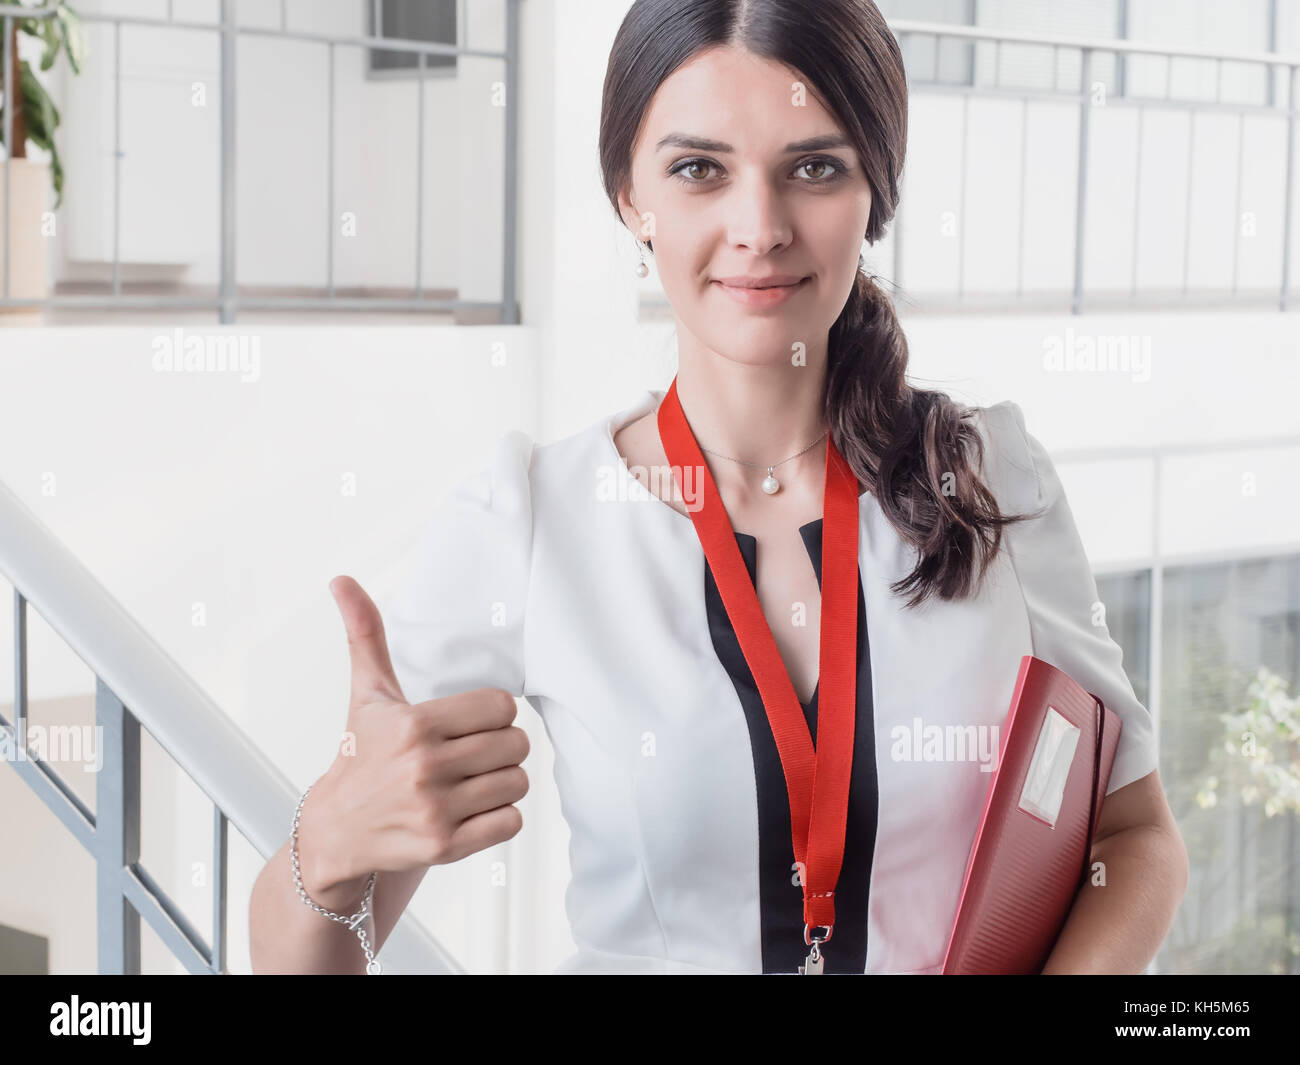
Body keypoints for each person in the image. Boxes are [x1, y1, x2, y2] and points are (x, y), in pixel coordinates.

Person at [249, 0, 1188, 976]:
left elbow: (1135, 840)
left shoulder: (989, 477)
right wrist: (336, 843)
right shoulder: (529, 521)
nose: (760, 228)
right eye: (699, 169)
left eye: (814, 167)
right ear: (629, 195)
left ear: (876, 190)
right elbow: (295, 962)